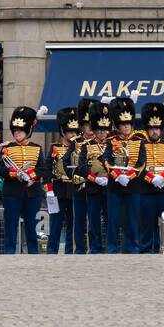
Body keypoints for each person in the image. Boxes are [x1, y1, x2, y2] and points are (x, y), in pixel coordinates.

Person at [0, 106, 45, 254]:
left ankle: (33, 252)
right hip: (12, 192)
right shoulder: (7, 148)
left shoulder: (37, 148)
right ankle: (9, 252)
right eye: (15, 130)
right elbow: (1, 170)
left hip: (32, 193)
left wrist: (30, 174)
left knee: (32, 226)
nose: (17, 133)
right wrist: (15, 174)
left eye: (20, 130)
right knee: (11, 226)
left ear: (27, 131)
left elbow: (42, 169)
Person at [105, 96, 145, 254]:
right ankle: (112, 248)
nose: (126, 126)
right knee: (114, 220)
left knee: (132, 220)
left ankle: (132, 248)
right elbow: (106, 160)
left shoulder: (139, 140)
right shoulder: (111, 141)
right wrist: (117, 176)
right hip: (115, 186)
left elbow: (142, 162)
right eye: (123, 124)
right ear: (118, 125)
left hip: (133, 185)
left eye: (128, 123)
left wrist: (129, 176)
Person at [136, 99, 164, 253]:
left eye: (157, 128)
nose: (154, 131)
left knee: (163, 224)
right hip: (145, 190)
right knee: (146, 225)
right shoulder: (140, 145)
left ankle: (162, 249)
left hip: (163, 190)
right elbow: (138, 165)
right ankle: (145, 252)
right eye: (151, 128)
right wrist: (150, 178)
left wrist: (163, 177)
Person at [76, 101, 114, 254]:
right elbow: (81, 166)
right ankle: (95, 247)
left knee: (110, 219)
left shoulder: (114, 144)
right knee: (93, 221)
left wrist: (110, 177)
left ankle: (110, 247)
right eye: (99, 131)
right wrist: (94, 178)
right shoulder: (86, 145)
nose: (102, 134)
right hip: (93, 186)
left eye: (104, 131)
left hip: (110, 186)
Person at [46, 108, 79, 254]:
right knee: (55, 224)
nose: (73, 135)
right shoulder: (55, 147)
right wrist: (49, 189)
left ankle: (70, 252)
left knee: (73, 225)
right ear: (63, 132)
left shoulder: (80, 148)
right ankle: (51, 251)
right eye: (70, 132)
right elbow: (48, 170)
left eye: (74, 132)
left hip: (74, 189)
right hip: (58, 190)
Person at [67, 100, 96, 255]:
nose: (89, 129)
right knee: (78, 220)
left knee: (94, 220)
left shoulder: (101, 141)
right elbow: (67, 161)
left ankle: (94, 248)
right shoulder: (75, 142)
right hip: (79, 183)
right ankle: (79, 249)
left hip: (95, 183)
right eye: (86, 125)